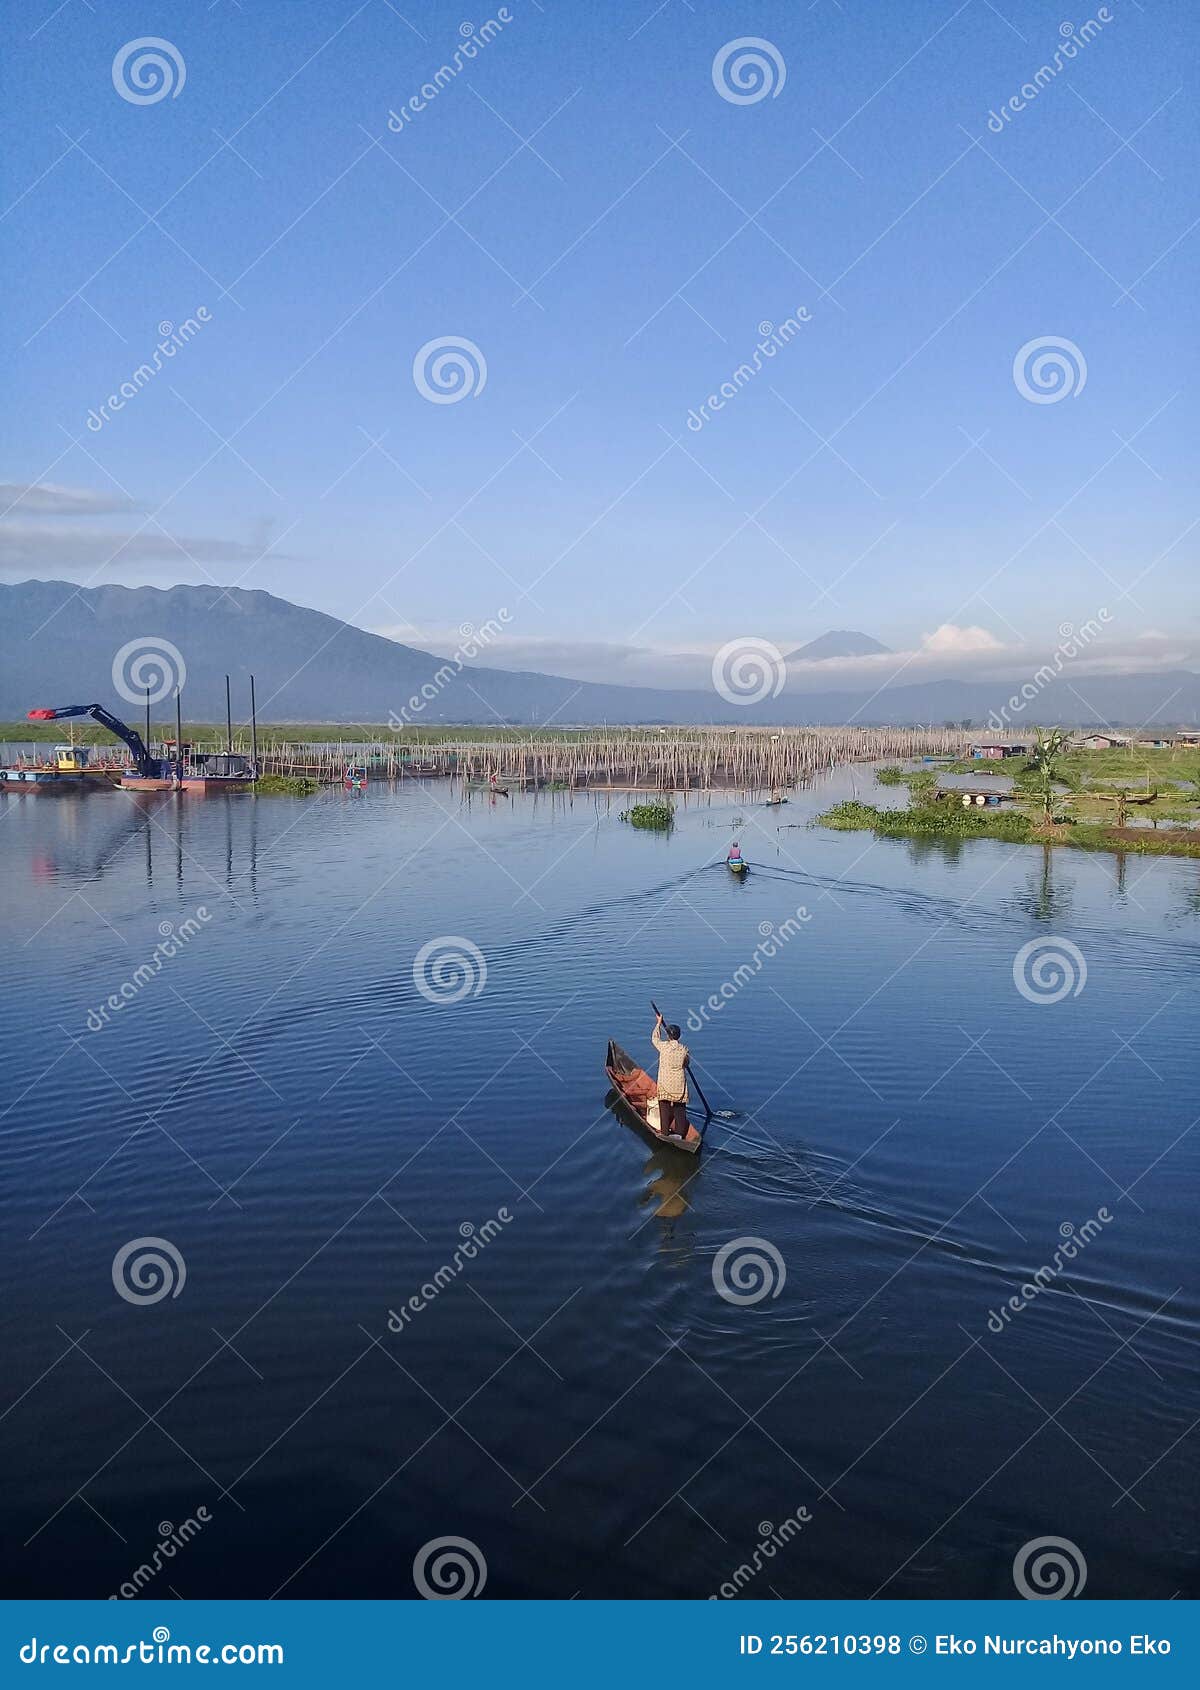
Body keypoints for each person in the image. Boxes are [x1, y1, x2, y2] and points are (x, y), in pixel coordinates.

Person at [651, 1013, 690, 1139]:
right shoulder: (684, 1049)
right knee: (680, 1108)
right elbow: (686, 1064)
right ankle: (679, 1134)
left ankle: (665, 1133)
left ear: (668, 1036)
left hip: (665, 1083)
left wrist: (658, 1023)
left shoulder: (664, 1047)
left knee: (664, 1106)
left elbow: (655, 1039)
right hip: (679, 1084)